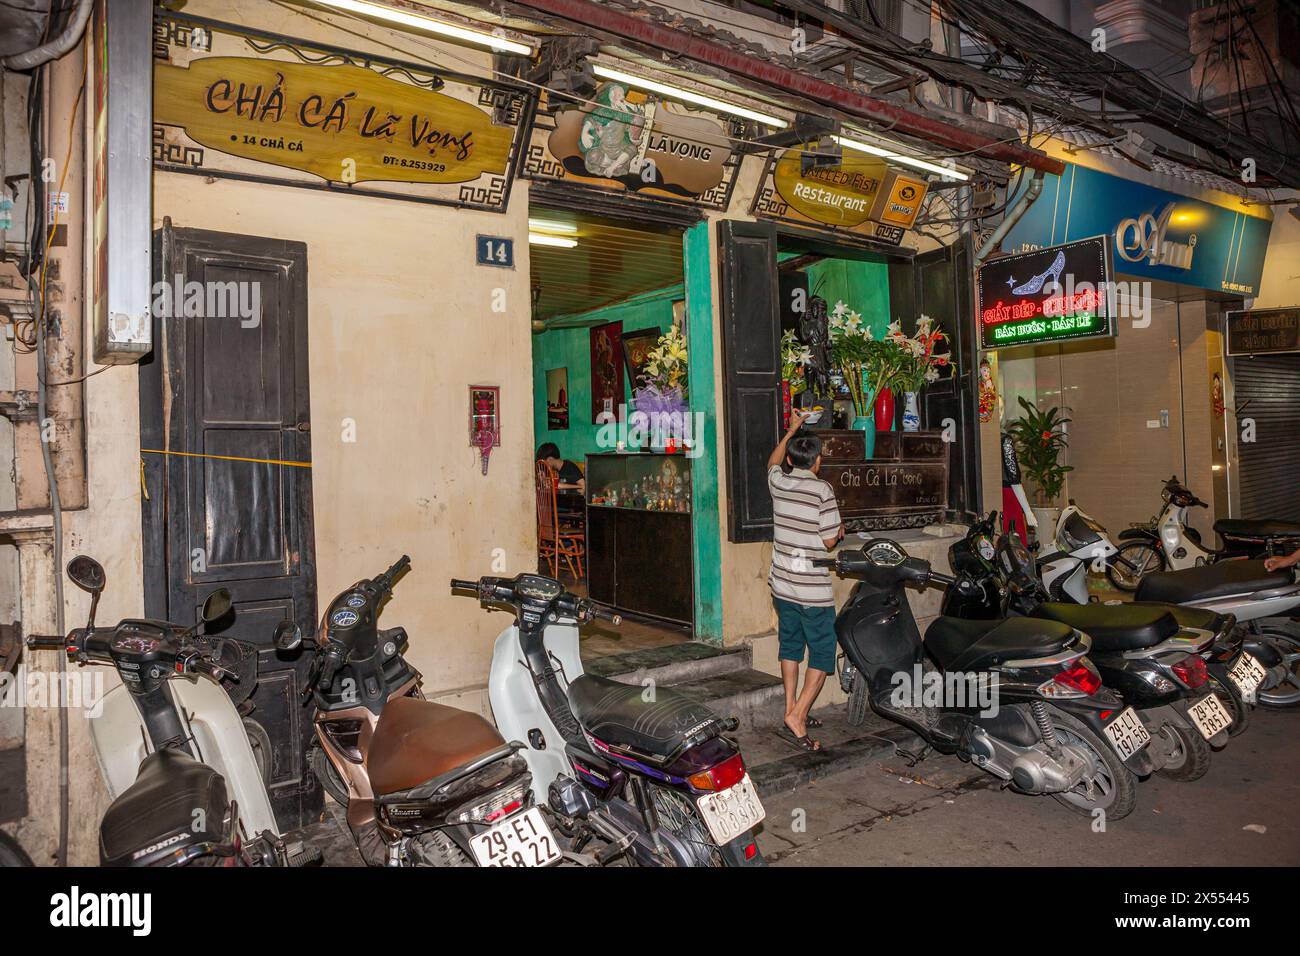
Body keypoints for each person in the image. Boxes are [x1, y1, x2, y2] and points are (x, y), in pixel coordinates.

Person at [767, 409, 844, 752]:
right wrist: (840, 531)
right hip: (812, 588)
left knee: (791, 646)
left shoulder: (779, 482)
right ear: (815, 461)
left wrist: (790, 430)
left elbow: (772, 461)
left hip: (782, 583)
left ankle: (790, 709)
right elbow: (829, 541)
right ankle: (797, 716)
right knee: (824, 652)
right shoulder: (822, 491)